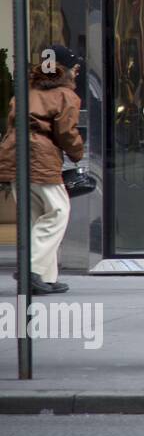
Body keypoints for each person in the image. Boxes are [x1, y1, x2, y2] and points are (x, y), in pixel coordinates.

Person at [0, 55, 84, 295]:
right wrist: (78, 153)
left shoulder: (28, 91)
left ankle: (44, 277)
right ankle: (32, 268)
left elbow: (11, 121)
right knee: (58, 210)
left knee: (34, 216)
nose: (77, 73)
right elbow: (67, 132)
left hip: (15, 152)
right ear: (66, 69)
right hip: (40, 154)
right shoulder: (65, 94)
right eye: (75, 68)